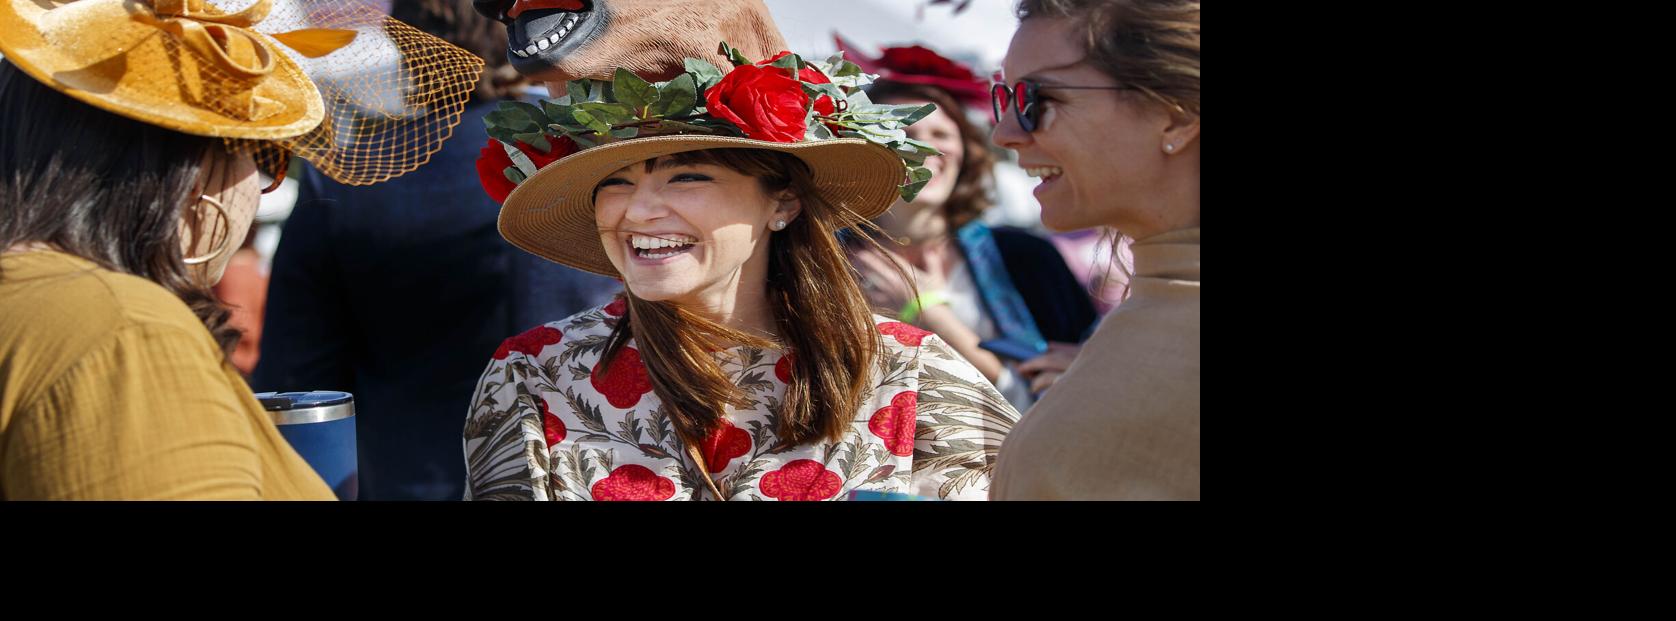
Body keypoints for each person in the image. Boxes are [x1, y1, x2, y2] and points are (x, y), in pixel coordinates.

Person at [462, 45, 1018, 500]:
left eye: (687, 177)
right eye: (615, 181)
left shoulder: (908, 373)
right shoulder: (536, 376)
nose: (637, 210)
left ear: (783, 203)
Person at [0, 0, 481, 500]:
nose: (257, 188)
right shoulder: (129, 332)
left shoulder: (31, 298)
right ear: (190, 171)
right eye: (265, 154)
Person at [253, 0, 621, 501]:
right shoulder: (583, 149)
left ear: (407, 45)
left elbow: (296, 378)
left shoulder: (349, 174)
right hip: (586, 460)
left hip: (405, 476)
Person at [988, 0, 1200, 500]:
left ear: (1177, 116)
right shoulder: (1151, 306)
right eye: (1005, 97)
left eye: (1037, 98)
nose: (1006, 133)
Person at [838, 38, 1096, 414]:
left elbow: (1070, 380)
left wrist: (925, 311)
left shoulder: (1026, 258)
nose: (926, 150)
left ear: (965, 150)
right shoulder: (827, 262)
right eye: (904, 134)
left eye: (941, 135)